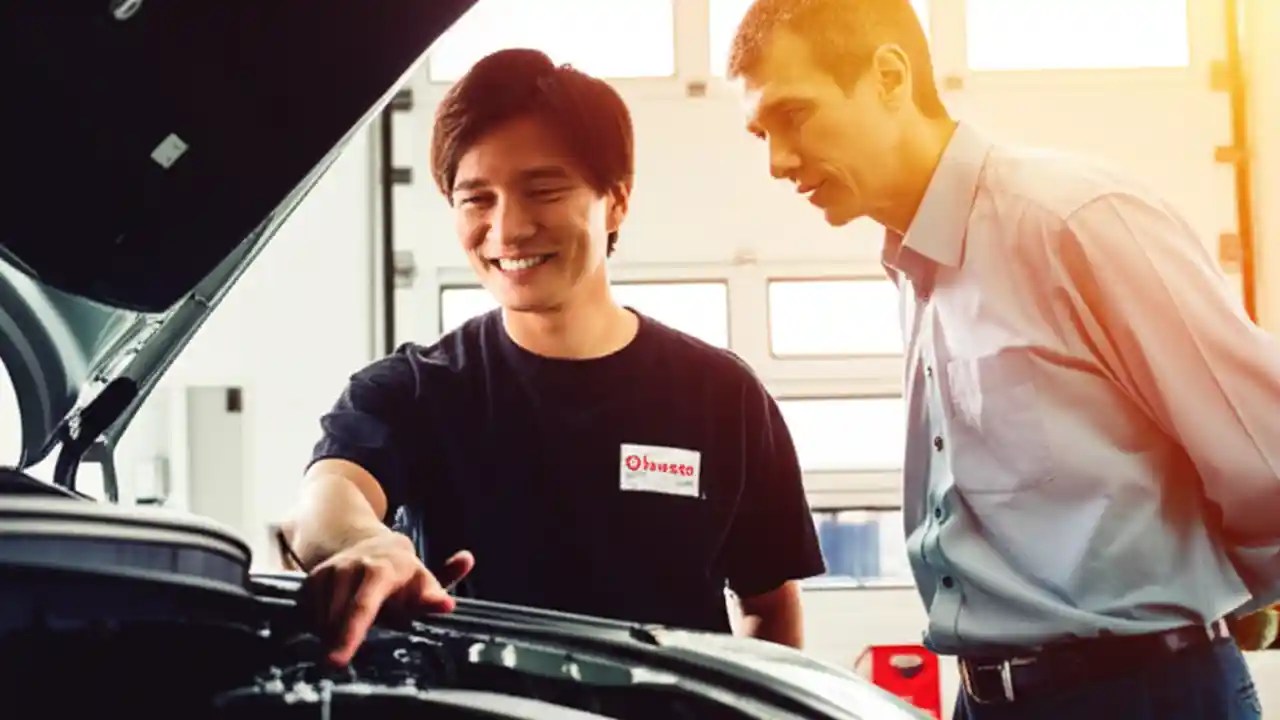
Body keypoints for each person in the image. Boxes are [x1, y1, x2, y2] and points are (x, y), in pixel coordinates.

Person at [724, 0, 1277, 717]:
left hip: (1142, 693)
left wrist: (1208, 610)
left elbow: (1265, 454)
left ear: (889, 77)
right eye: (761, 133)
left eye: (793, 115)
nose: (776, 162)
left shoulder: (1072, 220)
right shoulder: (912, 267)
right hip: (988, 697)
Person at [285, 47, 826, 668]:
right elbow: (326, 499)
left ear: (616, 201)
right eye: (476, 199)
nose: (508, 229)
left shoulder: (721, 396)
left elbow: (768, 604)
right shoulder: (412, 391)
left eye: (542, 190)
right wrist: (367, 544)